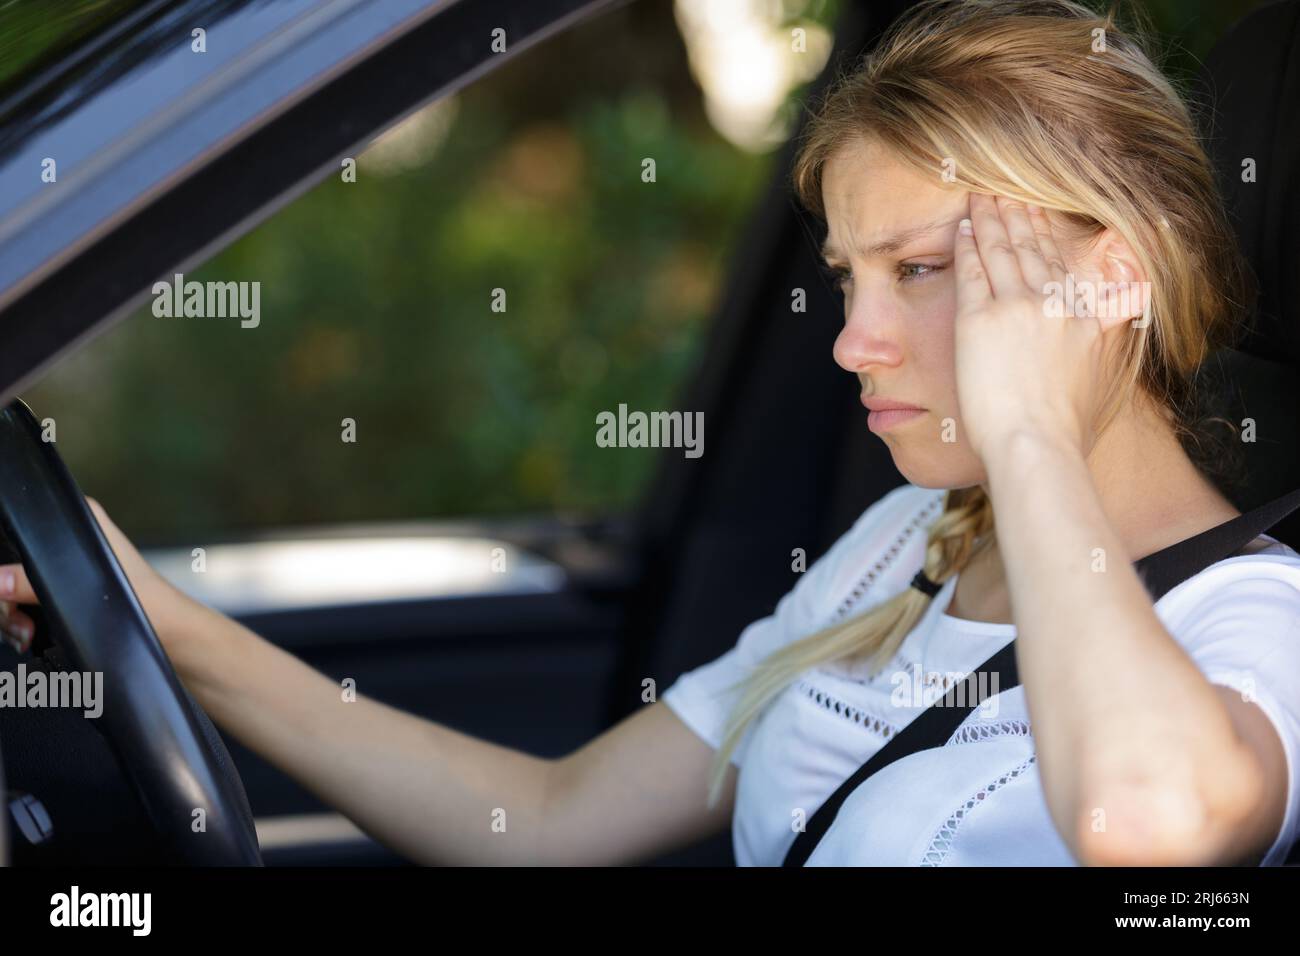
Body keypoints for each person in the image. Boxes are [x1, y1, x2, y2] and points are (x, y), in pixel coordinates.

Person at [3, 0, 1299, 866]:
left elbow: (1145, 817)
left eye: (917, 270)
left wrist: (1031, 438)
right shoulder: (908, 549)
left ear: (1109, 279)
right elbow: (549, 823)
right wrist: (153, 618)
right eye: (849, 277)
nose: (854, 340)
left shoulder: (1258, 625)